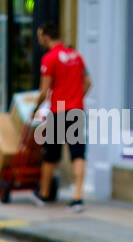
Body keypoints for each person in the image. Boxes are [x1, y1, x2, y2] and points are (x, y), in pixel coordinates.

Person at [33, 21, 91, 211]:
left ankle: (43, 195)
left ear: (46, 37)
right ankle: (78, 197)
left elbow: (43, 91)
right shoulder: (77, 56)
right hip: (76, 110)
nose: (39, 39)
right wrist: (76, 98)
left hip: (58, 110)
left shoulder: (49, 58)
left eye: (40, 36)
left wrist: (35, 109)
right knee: (78, 154)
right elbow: (88, 82)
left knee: (50, 156)